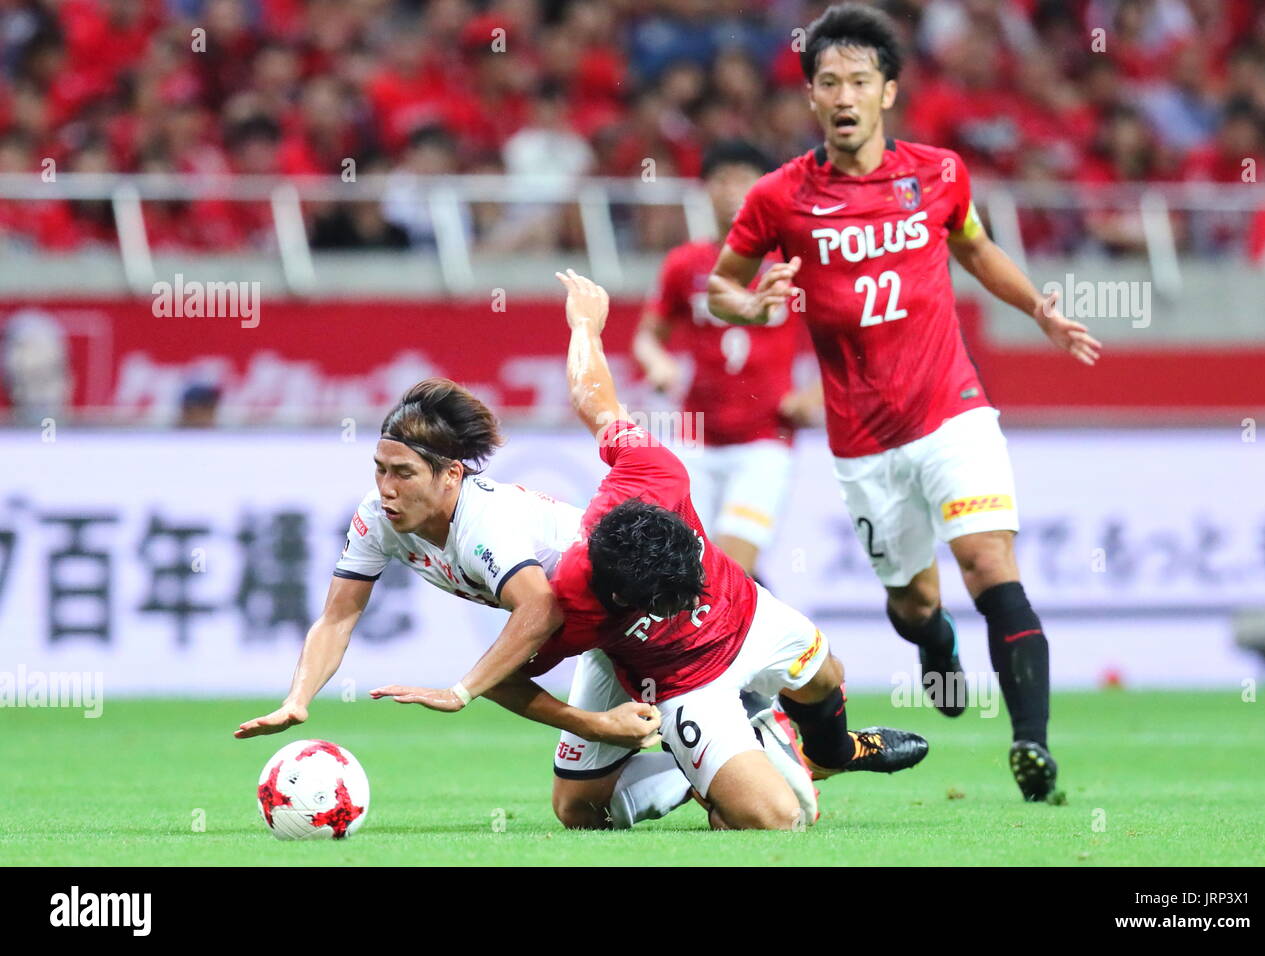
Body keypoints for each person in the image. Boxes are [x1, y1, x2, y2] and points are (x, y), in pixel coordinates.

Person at [708, 4, 1102, 802]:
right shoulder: (779, 198)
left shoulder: (940, 174)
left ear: (887, 91)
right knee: (913, 600)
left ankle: (1032, 747)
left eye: (860, 80)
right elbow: (720, 285)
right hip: (862, 443)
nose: (844, 95)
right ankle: (936, 645)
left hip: (952, 411)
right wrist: (751, 306)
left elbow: (976, 249)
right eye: (828, 82)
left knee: (991, 564)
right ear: (812, 97)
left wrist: (1040, 310)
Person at [381, 269, 926, 831]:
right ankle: (743, 753)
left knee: (826, 674)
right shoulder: (568, 608)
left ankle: (832, 753)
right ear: (616, 597)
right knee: (750, 819)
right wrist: (593, 724)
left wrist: (584, 329)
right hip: (679, 681)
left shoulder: (656, 471)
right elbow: (506, 677)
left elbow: (595, 398)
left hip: (746, 610)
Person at [231, 377, 809, 829]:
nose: (386, 488)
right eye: (379, 469)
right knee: (579, 812)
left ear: (451, 474)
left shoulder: (487, 525)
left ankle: (747, 744)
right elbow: (338, 616)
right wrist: (298, 698)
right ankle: (699, 767)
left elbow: (539, 610)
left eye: (403, 473)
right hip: (585, 639)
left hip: (630, 616)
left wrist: (461, 691)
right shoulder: (379, 518)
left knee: (764, 819)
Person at [633, 139, 822, 579]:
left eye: (743, 177)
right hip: (695, 437)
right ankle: (761, 627)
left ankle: (762, 629)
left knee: (730, 568)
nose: (731, 188)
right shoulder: (685, 264)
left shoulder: (794, 262)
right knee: (682, 570)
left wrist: (813, 396)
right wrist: (658, 362)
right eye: (721, 179)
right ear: (705, 190)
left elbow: (848, 343)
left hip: (765, 440)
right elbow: (647, 336)